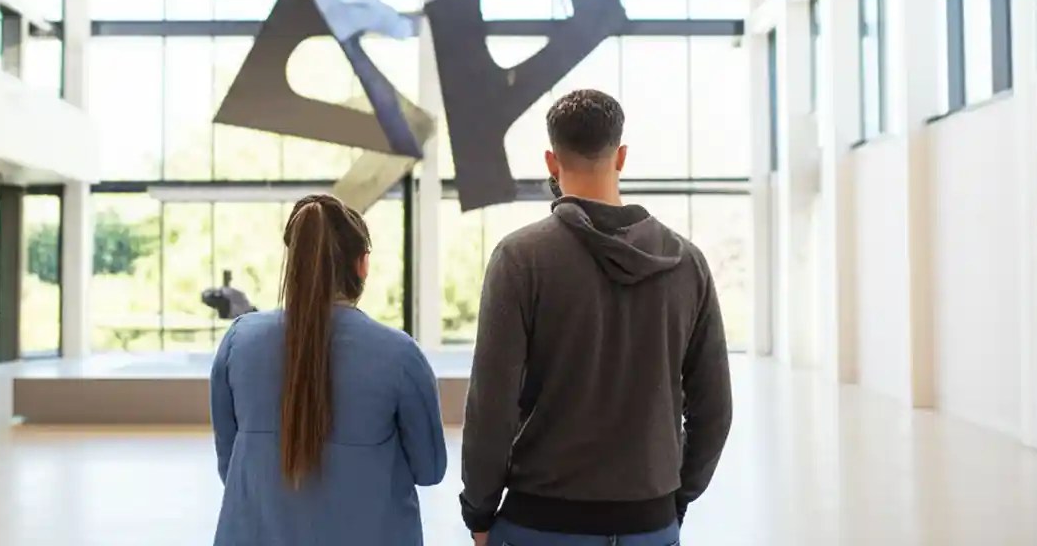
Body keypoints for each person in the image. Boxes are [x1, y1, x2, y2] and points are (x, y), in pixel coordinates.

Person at [460, 89, 733, 546]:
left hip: (541, 521)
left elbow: (491, 405)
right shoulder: (688, 263)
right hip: (649, 520)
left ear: (551, 161)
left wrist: (479, 512)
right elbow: (714, 410)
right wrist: (672, 498)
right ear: (621, 155)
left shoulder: (520, 258)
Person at [210, 194, 447, 546]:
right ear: (362, 264)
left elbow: (230, 465)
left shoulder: (239, 342)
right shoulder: (399, 356)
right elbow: (429, 470)